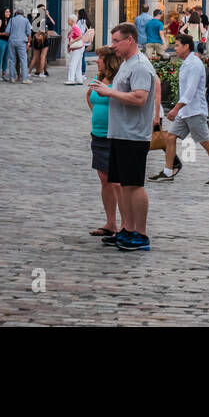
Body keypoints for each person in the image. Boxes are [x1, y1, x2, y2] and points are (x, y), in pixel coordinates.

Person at [92, 23, 157, 251]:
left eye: (116, 41)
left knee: (134, 185)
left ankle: (141, 233)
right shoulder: (127, 64)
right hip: (120, 133)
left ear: (130, 40)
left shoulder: (140, 66)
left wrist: (109, 92)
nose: (113, 46)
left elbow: (140, 98)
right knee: (124, 184)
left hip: (133, 134)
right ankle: (127, 229)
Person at [150, 32, 209, 185]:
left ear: (186, 46)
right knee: (170, 137)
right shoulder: (186, 63)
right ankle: (168, 172)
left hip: (195, 111)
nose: (175, 49)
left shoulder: (194, 64)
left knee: (205, 142)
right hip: (185, 111)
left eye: (177, 46)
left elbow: (190, 92)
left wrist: (175, 109)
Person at [86, 45, 123, 238]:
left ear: (109, 61)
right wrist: (97, 114)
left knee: (117, 181)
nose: (97, 60)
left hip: (115, 135)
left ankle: (125, 225)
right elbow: (89, 96)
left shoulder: (120, 81)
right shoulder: (99, 79)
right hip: (98, 134)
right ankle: (110, 223)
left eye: (100, 58)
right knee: (104, 178)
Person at [5, 6, 32, 84]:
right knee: (23, 60)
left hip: (12, 41)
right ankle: (24, 79)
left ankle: (12, 78)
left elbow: (7, 32)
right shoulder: (26, 20)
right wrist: (28, 43)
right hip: (22, 42)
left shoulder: (12, 20)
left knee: (12, 60)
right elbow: (29, 33)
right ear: (23, 14)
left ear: (16, 13)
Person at [29, 6, 53, 78]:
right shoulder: (44, 21)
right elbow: (52, 24)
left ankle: (29, 72)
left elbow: (32, 32)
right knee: (43, 56)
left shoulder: (35, 21)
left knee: (35, 57)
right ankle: (41, 72)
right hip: (44, 40)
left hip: (36, 40)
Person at [65, 15, 87, 85]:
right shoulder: (74, 27)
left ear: (71, 21)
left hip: (77, 48)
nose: (67, 21)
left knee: (73, 64)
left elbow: (80, 36)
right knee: (78, 64)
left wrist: (72, 42)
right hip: (79, 48)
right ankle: (79, 79)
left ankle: (71, 79)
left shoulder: (75, 27)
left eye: (68, 20)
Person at [77, 8, 92, 80]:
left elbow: (80, 32)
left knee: (81, 58)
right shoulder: (88, 21)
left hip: (82, 41)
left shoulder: (81, 21)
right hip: (87, 42)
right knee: (83, 57)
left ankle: (82, 73)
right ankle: (82, 73)